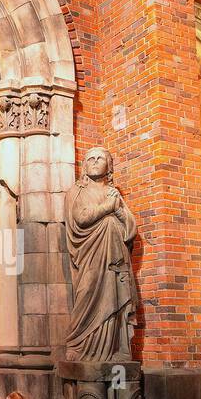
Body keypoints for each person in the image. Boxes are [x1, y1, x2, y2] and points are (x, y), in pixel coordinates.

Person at [63, 146, 139, 362]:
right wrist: (109, 208)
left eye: (100, 158)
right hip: (90, 259)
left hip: (115, 262)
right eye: (90, 159)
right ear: (84, 166)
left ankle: (117, 349)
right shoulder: (77, 191)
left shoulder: (114, 193)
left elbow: (129, 226)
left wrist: (119, 211)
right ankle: (81, 345)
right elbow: (81, 218)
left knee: (116, 298)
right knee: (87, 293)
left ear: (109, 165)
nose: (95, 162)